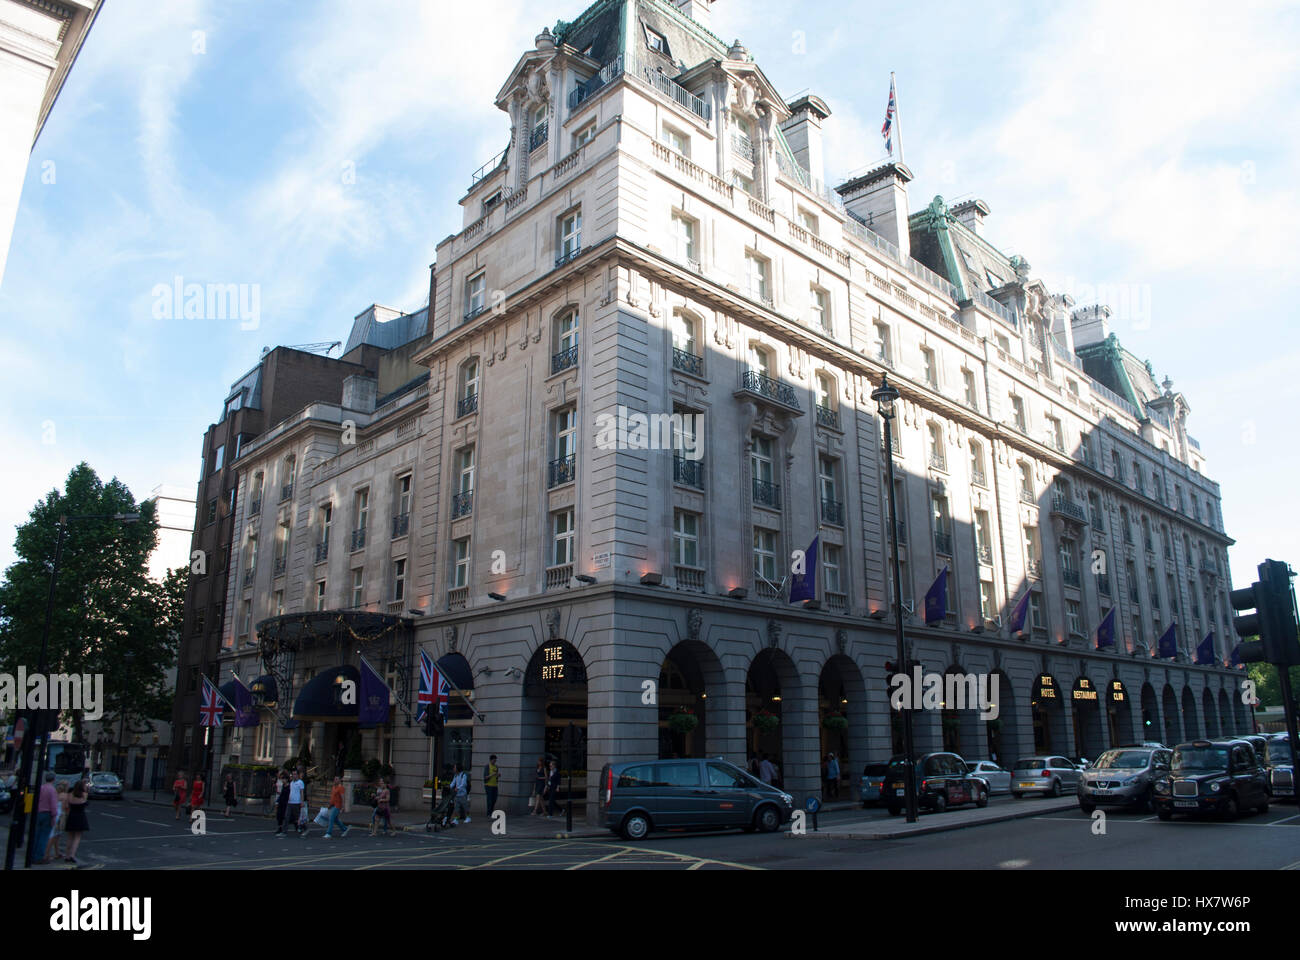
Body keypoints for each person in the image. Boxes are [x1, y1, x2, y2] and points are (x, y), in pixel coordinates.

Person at [64, 777, 90, 865]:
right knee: (77, 837)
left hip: (71, 815)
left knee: (70, 837)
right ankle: (72, 855)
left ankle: (67, 855)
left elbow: (66, 806)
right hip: (80, 816)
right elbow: (85, 801)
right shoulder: (84, 794)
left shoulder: (70, 794)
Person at [33, 773, 57, 864]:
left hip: (39, 813)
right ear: (53, 779)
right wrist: (54, 816)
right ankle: (39, 857)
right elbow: (53, 805)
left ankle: (33, 854)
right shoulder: (52, 790)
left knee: (36, 835)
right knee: (44, 836)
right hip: (47, 814)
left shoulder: (41, 788)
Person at [44, 782, 69, 862]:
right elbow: (66, 807)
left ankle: (57, 852)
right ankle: (46, 854)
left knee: (56, 835)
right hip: (61, 815)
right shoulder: (65, 796)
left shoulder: (55, 794)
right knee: (54, 836)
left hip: (54, 814)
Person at [285, 770, 307, 837]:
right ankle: (284, 831)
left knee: (298, 818)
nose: (294, 776)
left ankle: (304, 828)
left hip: (297, 802)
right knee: (287, 816)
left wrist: (302, 801)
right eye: (293, 774)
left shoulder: (300, 782)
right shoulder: (291, 783)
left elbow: (301, 792)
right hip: (290, 802)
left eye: (295, 774)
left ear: (297, 775)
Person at [274, 770, 290, 836]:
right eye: (282, 779)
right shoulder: (283, 785)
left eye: (284, 779)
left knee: (285, 816)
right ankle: (280, 827)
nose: (283, 780)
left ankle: (299, 827)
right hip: (281, 801)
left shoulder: (289, 786)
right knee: (279, 815)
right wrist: (277, 801)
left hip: (286, 802)